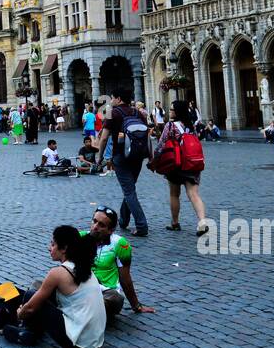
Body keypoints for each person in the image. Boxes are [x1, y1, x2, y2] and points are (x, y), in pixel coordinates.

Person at [2, 226, 105, 348]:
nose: (49, 248)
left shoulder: (58, 273)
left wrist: (20, 314)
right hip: (94, 338)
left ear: (64, 248)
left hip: (76, 341)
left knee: (30, 295)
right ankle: (28, 331)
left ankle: (27, 330)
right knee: (32, 295)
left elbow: (30, 308)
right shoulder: (83, 266)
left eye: (53, 244)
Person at [95, 87, 149, 237]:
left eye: (112, 98)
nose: (111, 101)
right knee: (130, 188)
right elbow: (147, 132)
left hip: (121, 156)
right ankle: (124, 220)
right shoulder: (137, 112)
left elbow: (104, 138)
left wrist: (100, 157)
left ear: (118, 99)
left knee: (129, 191)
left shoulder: (113, 113)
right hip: (137, 156)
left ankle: (142, 225)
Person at [86, 207, 155, 321]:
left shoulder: (120, 244)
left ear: (111, 230)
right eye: (94, 221)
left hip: (106, 293)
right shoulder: (80, 237)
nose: (95, 227)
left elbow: (125, 278)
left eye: (101, 225)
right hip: (82, 290)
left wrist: (136, 306)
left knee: (116, 299)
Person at [158, 100, 210, 236]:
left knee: (174, 194)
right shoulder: (190, 126)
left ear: (177, 111)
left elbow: (161, 144)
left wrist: (155, 160)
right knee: (194, 194)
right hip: (192, 162)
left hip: (176, 164)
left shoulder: (170, 126)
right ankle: (202, 221)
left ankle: (175, 223)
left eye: (171, 109)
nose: (169, 112)